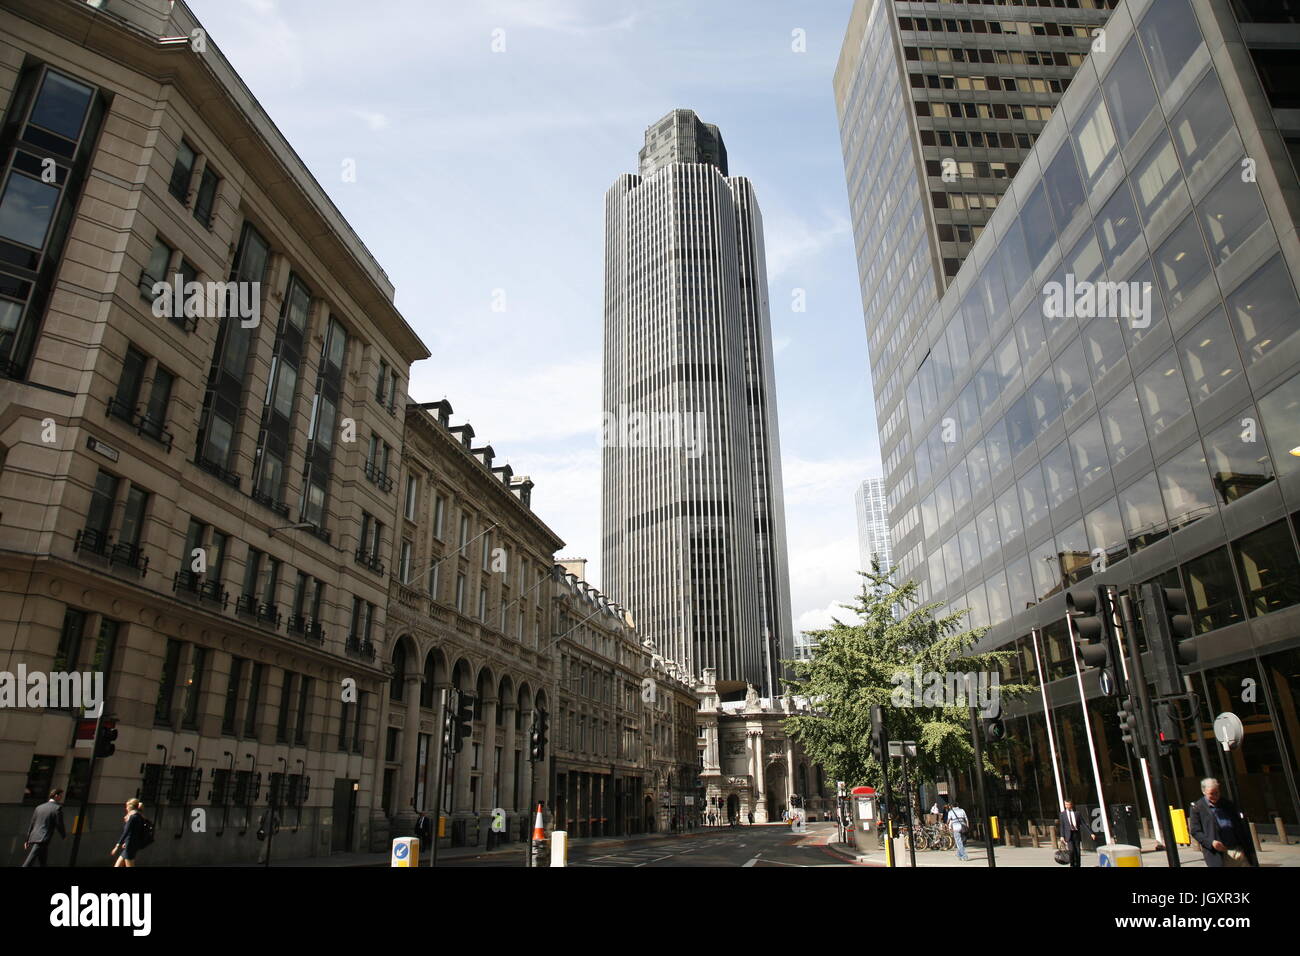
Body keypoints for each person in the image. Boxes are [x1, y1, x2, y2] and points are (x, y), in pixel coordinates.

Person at [1189, 778, 1258, 868]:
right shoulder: (1197, 808)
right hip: (1219, 853)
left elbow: (1238, 824)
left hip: (1237, 849)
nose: (1215, 796)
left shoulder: (1227, 804)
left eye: (1217, 792)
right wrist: (1211, 842)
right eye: (1211, 793)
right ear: (1204, 792)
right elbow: (1195, 831)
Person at [23, 788, 66, 867]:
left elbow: (32, 824)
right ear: (56, 796)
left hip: (35, 836)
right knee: (29, 862)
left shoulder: (39, 807)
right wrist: (64, 835)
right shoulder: (57, 808)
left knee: (43, 861)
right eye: (61, 796)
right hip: (43, 838)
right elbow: (59, 824)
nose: (61, 798)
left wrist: (27, 839)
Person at [1058, 799, 1095, 868]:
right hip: (1068, 835)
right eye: (1065, 804)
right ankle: (1072, 864)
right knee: (1071, 850)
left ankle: (1078, 865)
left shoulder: (1077, 813)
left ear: (1071, 805)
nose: (1067, 806)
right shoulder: (1062, 814)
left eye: (1068, 804)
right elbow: (1062, 826)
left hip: (1076, 834)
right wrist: (1062, 836)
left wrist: (1091, 833)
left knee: (1077, 851)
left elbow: (1083, 824)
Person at [111, 799, 145, 867]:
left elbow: (126, 832)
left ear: (130, 807)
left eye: (126, 806)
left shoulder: (133, 817)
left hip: (129, 846)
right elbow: (135, 832)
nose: (126, 808)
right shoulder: (139, 816)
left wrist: (117, 846)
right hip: (130, 844)